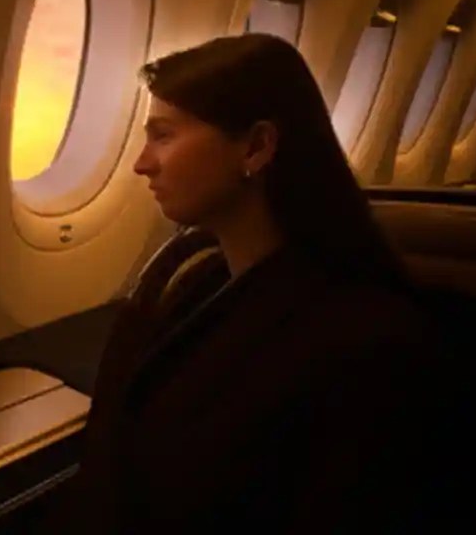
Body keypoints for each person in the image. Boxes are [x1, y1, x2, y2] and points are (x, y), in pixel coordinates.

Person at [40, 33, 450, 533]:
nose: (142, 163)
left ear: (256, 146)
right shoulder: (190, 286)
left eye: (163, 135)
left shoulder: (368, 347)